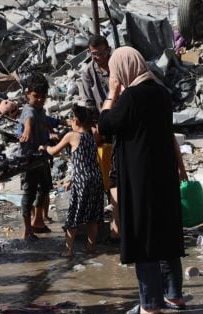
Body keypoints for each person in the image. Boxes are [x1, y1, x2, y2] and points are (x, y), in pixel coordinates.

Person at [97, 46, 188, 314]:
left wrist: (111, 95)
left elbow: (105, 127)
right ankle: (174, 295)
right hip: (164, 174)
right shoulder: (161, 93)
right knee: (166, 230)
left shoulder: (132, 97)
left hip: (140, 178)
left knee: (144, 234)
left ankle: (150, 302)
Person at [43, 105, 104, 257]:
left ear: (76, 121)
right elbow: (86, 160)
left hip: (82, 181)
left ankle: (68, 250)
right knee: (93, 216)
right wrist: (71, 179)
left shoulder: (71, 136)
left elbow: (53, 151)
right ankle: (91, 248)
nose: (69, 122)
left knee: (74, 215)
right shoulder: (92, 136)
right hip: (96, 178)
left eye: (71, 119)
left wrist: (43, 147)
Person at [80, 34, 119, 239]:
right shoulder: (88, 72)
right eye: (94, 54)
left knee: (117, 174)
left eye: (102, 53)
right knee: (107, 175)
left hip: (121, 122)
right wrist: (94, 127)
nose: (99, 58)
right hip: (103, 127)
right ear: (90, 53)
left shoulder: (117, 65)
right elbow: (88, 103)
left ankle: (117, 220)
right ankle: (111, 221)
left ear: (108, 50)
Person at [18, 73, 54, 240]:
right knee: (29, 192)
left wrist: (60, 125)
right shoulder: (28, 110)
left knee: (45, 188)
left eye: (42, 97)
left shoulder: (40, 110)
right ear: (28, 94)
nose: (39, 100)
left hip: (42, 157)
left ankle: (36, 221)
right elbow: (29, 120)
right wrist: (27, 131)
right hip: (29, 160)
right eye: (35, 96)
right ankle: (27, 229)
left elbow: (45, 119)